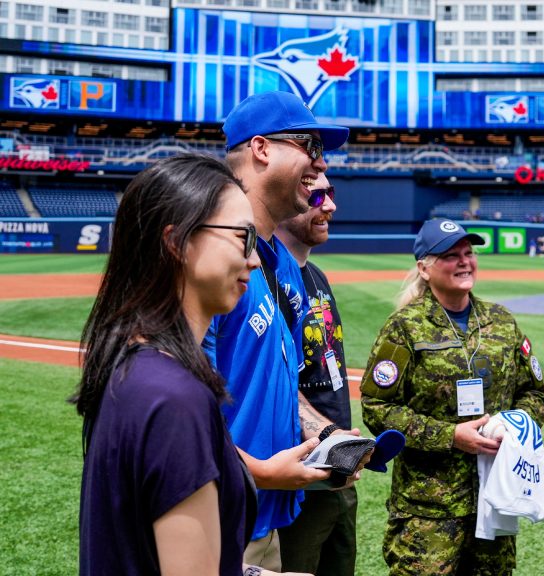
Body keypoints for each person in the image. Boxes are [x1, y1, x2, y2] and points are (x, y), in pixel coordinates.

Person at [75, 154, 295, 575]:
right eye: (242, 238)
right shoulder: (176, 398)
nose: (253, 259)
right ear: (176, 243)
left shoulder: (129, 365)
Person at [209, 91, 366, 570]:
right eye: (310, 148)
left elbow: (283, 384)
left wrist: (330, 438)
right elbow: (178, 400)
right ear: (261, 150)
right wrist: (256, 470)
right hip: (221, 517)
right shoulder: (213, 254)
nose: (320, 167)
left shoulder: (281, 266)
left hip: (269, 517)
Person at [360, 219, 544, 576]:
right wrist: (450, 437)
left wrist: (515, 425)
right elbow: (377, 408)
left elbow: (533, 392)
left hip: (495, 495)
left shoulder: (501, 321)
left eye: (468, 253)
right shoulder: (405, 326)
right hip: (429, 506)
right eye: (450, 255)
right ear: (424, 268)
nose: (464, 261)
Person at [274, 173, 360, 575]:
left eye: (331, 195)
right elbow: (274, 382)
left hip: (339, 468)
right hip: (298, 475)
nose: (330, 206)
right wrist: (327, 436)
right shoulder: (267, 277)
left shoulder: (317, 276)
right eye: (317, 197)